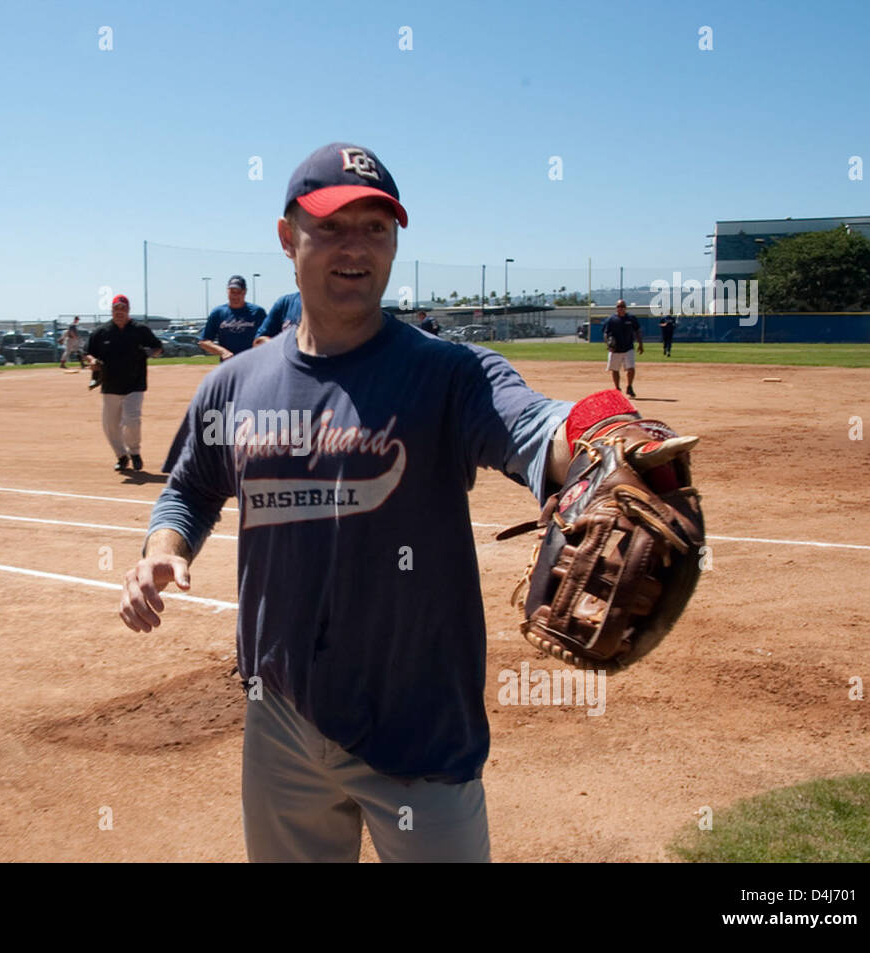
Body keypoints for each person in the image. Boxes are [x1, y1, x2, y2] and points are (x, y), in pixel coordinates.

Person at [116, 142, 681, 863]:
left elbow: (541, 428)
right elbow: (189, 488)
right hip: (280, 722)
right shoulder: (235, 385)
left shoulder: (450, 374)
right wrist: (161, 554)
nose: (356, 248)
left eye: (376, 228)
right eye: (333, 226)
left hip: (420, 731)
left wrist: (611, 423)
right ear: (288, 237)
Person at [85, 294, 162, 472]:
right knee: (110, 425)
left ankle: (134, 452)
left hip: (135, 384)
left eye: (123, 308)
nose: (119, 312)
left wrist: (153, 352)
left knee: (132, 420)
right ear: (111, 311)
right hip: (110, 384)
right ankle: (121, 455)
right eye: (116, 309)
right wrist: (92, 361)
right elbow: (88, 353)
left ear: (128, 310)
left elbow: (157, 347)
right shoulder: (101, 332)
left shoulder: (139, 329)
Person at [199, 276, 265, 361]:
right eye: (232, 292)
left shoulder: (257, 312)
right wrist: (223, 352)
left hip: (252, 364)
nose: (235, 296)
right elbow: (204, 341)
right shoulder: (218, 313)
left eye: (238, 292)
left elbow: (267, 337)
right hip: (228, 365)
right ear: (227, 291)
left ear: (245, 292)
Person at [603, 299, 643, 397]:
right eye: (619, 306)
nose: (621, 308)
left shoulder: (631, 318)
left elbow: (637, 331)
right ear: (616, 308)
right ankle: (617, 388)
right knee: (615, 369)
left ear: (625, 307)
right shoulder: (611, 319)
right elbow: (606, 333)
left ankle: (629, 386)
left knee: (631, 369)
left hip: (628, 347)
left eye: (623, 306)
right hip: (615, 349)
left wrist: (640, 344)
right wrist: (608, 344)